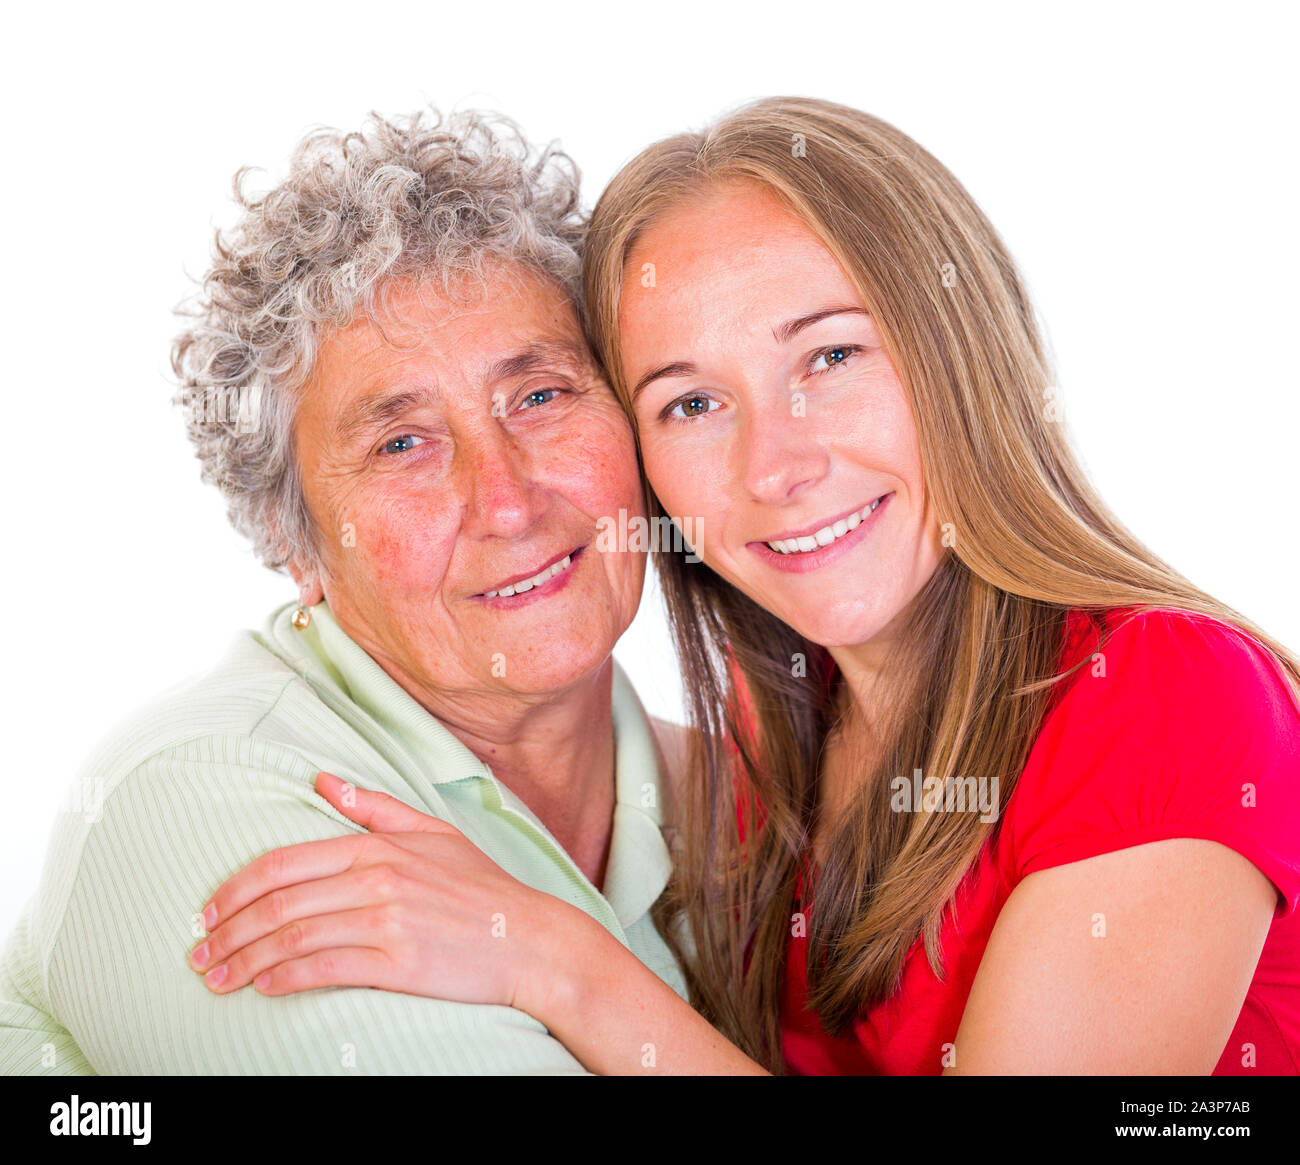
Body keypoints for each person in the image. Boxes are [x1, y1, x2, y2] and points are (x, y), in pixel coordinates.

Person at [190, 97, 1300, 1076]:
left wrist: (554, 961)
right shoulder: (772, 753)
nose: (776, 465)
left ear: (958, 348)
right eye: (690, 404)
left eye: (828, 358)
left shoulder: (1166, 694)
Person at [0, 107, 690, 1075]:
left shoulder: (743, 792)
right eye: (401, 444)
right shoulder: (200, 797)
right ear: (296, 541)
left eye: (538, 396)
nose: (505, 501)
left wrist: (562, 963)